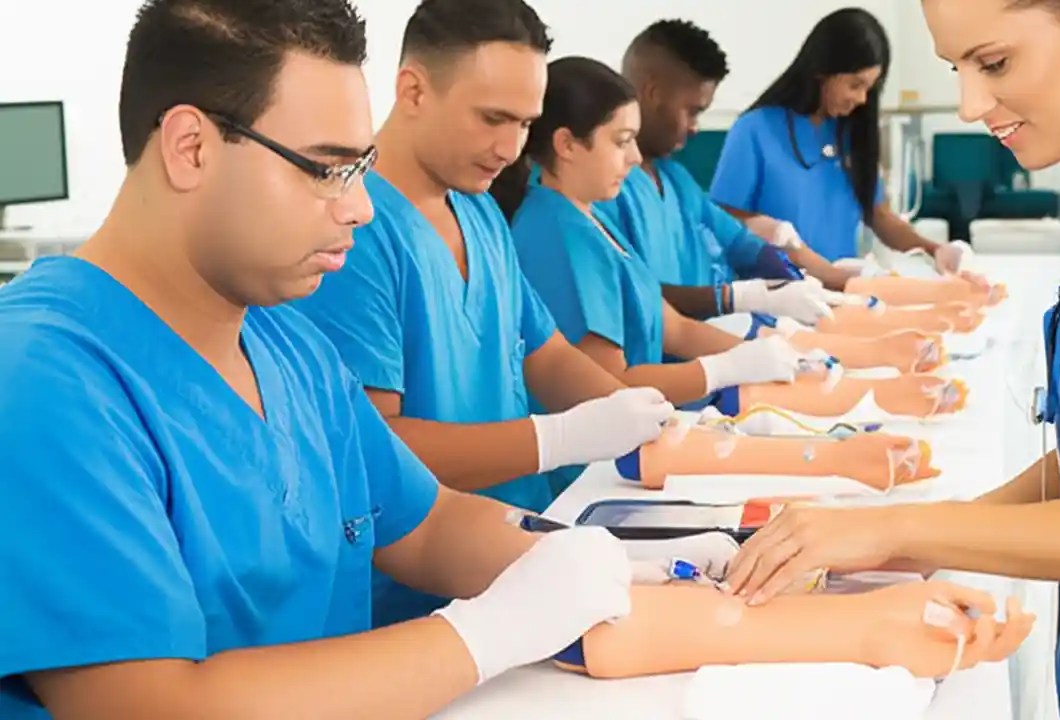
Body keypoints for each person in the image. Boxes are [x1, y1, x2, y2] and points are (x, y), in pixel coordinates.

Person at [0, 1, 640, 718]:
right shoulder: (39, 381)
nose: (362, 207)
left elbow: (427, 526)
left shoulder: (290, 346)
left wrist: (607, 563)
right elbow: (150, 704)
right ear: (191, 148)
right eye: (326, 169)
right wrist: (481, 635)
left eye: (360, 167)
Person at [722, 0, 1060, 717]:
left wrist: (897, 527)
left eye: (995, 64)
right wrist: (927, 540)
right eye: (959, 68)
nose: (968, 104)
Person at [291, 0, 678, 626]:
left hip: (522, 548)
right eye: (493, 118)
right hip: (420, 599)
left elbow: (543, 352)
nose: (510, 146)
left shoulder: (480, 212)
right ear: (413, 89)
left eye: (525, 123)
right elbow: (379, 448)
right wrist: (556, 439)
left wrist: (646, 420)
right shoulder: (356, 237)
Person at [495, 56, 808, 406]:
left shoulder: (591, 216)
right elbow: (610, 383)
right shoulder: (556, 234)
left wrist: (768, 355)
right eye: (621, 141)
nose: (634, 157)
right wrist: (723, 370)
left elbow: (674, 328)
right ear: (567, 144)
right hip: (605, 449)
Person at [598, 19, 840, 324]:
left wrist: (786, 271)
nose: (695, 127)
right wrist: (734, 297)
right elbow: (631, 295)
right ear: (653, 92)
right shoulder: (606, 188)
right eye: (693, 111)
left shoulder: (676, 180)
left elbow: (741, 243)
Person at [710, 8, 964, 272]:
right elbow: (722, 219)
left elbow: (879, 216)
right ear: (822, 71)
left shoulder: (851, 133)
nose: (863, 99)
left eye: (870, 88)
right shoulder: (754, 130)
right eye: (855, 85)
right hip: (776, 293)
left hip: (843, 287)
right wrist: (768, 231)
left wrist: (934, 250)